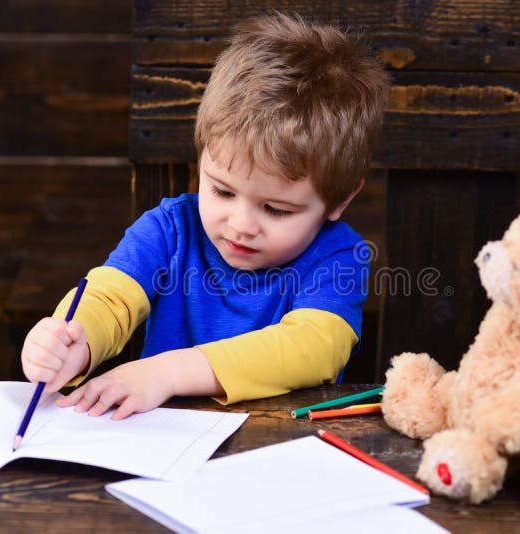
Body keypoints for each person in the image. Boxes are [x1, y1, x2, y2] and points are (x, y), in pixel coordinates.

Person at [20, 12, 390, 420]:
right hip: (159, 447)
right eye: (221, 190)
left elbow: (311, 349)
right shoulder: (169, 231)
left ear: (340, 200)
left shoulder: (337, 257)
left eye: (277, 209)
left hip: (277, 453)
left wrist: (165, 372)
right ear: (201, 158)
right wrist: (73, 340)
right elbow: (111, 296)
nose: (241, 224)